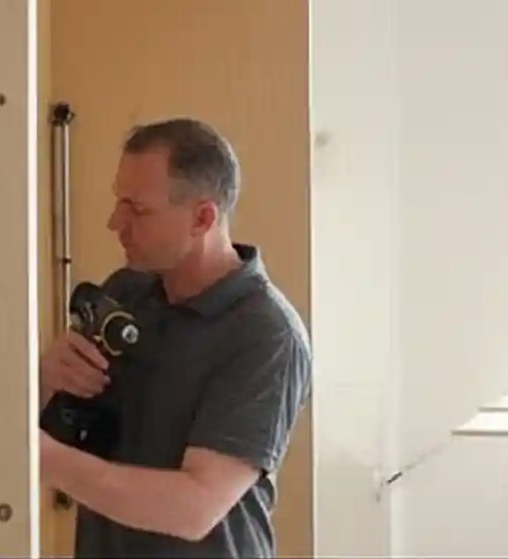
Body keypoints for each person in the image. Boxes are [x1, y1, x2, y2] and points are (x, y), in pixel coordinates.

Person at [38, 117, 312, 558]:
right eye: (118, 203)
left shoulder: (267, 335)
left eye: (138, 209)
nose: (115, 223)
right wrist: (44, 381)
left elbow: (194, 507)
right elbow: (64, 431)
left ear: (203, 217)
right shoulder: (126, 292)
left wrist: (46, 460)